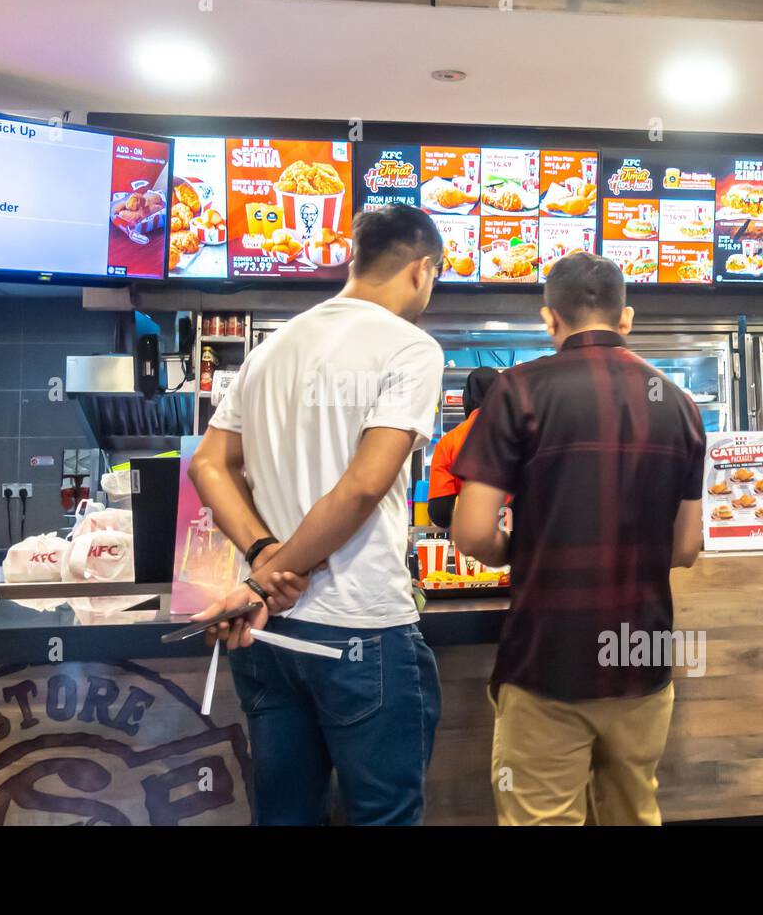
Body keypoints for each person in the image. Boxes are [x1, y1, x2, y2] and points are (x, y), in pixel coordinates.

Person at [187, 203, 447, 825]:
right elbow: (361, 488)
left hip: (271, 635)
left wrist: (262, 558)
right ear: (421, 271)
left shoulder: (273, 347)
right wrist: (266, 575)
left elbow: (208, 465)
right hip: (360, 626)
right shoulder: (412, 349)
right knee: (384, 816)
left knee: (285, 817)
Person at [450, 252, 705, 826]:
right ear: (627, 318)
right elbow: (685, 548)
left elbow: (470, 532)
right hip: (643, 655)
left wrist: (518, 549)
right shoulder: (680, 404)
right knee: (634, 812)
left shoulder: (517, 391)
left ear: (549, 318)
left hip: (549, 657)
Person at [427, 367, 499, 529]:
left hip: (472, 540)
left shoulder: (448, 442)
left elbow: (441, 513)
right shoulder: (525, 435)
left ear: (467, 398)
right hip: (524, 544)